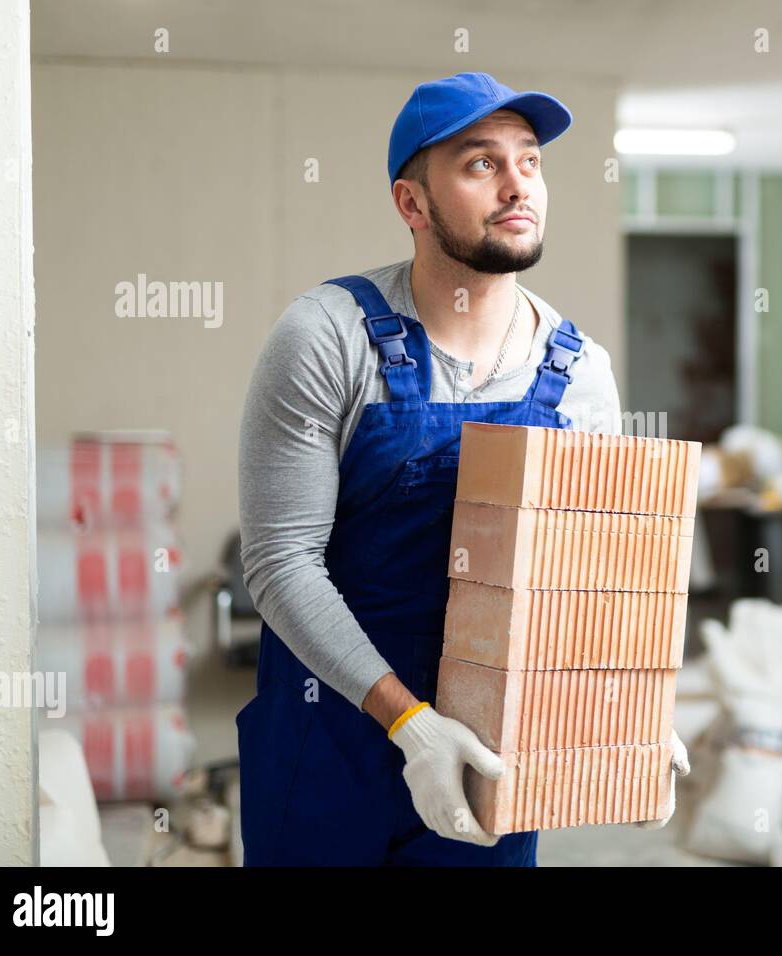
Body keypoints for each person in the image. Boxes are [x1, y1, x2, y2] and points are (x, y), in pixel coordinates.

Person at [236, 72, 689, 866]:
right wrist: (410, 725)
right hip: (327, 742)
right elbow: (280, 564)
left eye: (529, 161)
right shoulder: (327, 338)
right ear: (412, 204)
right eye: (481, 164)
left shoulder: (580, 376)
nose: (518, 184)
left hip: (491, 760)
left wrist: (622, 713)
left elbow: (581, 584)